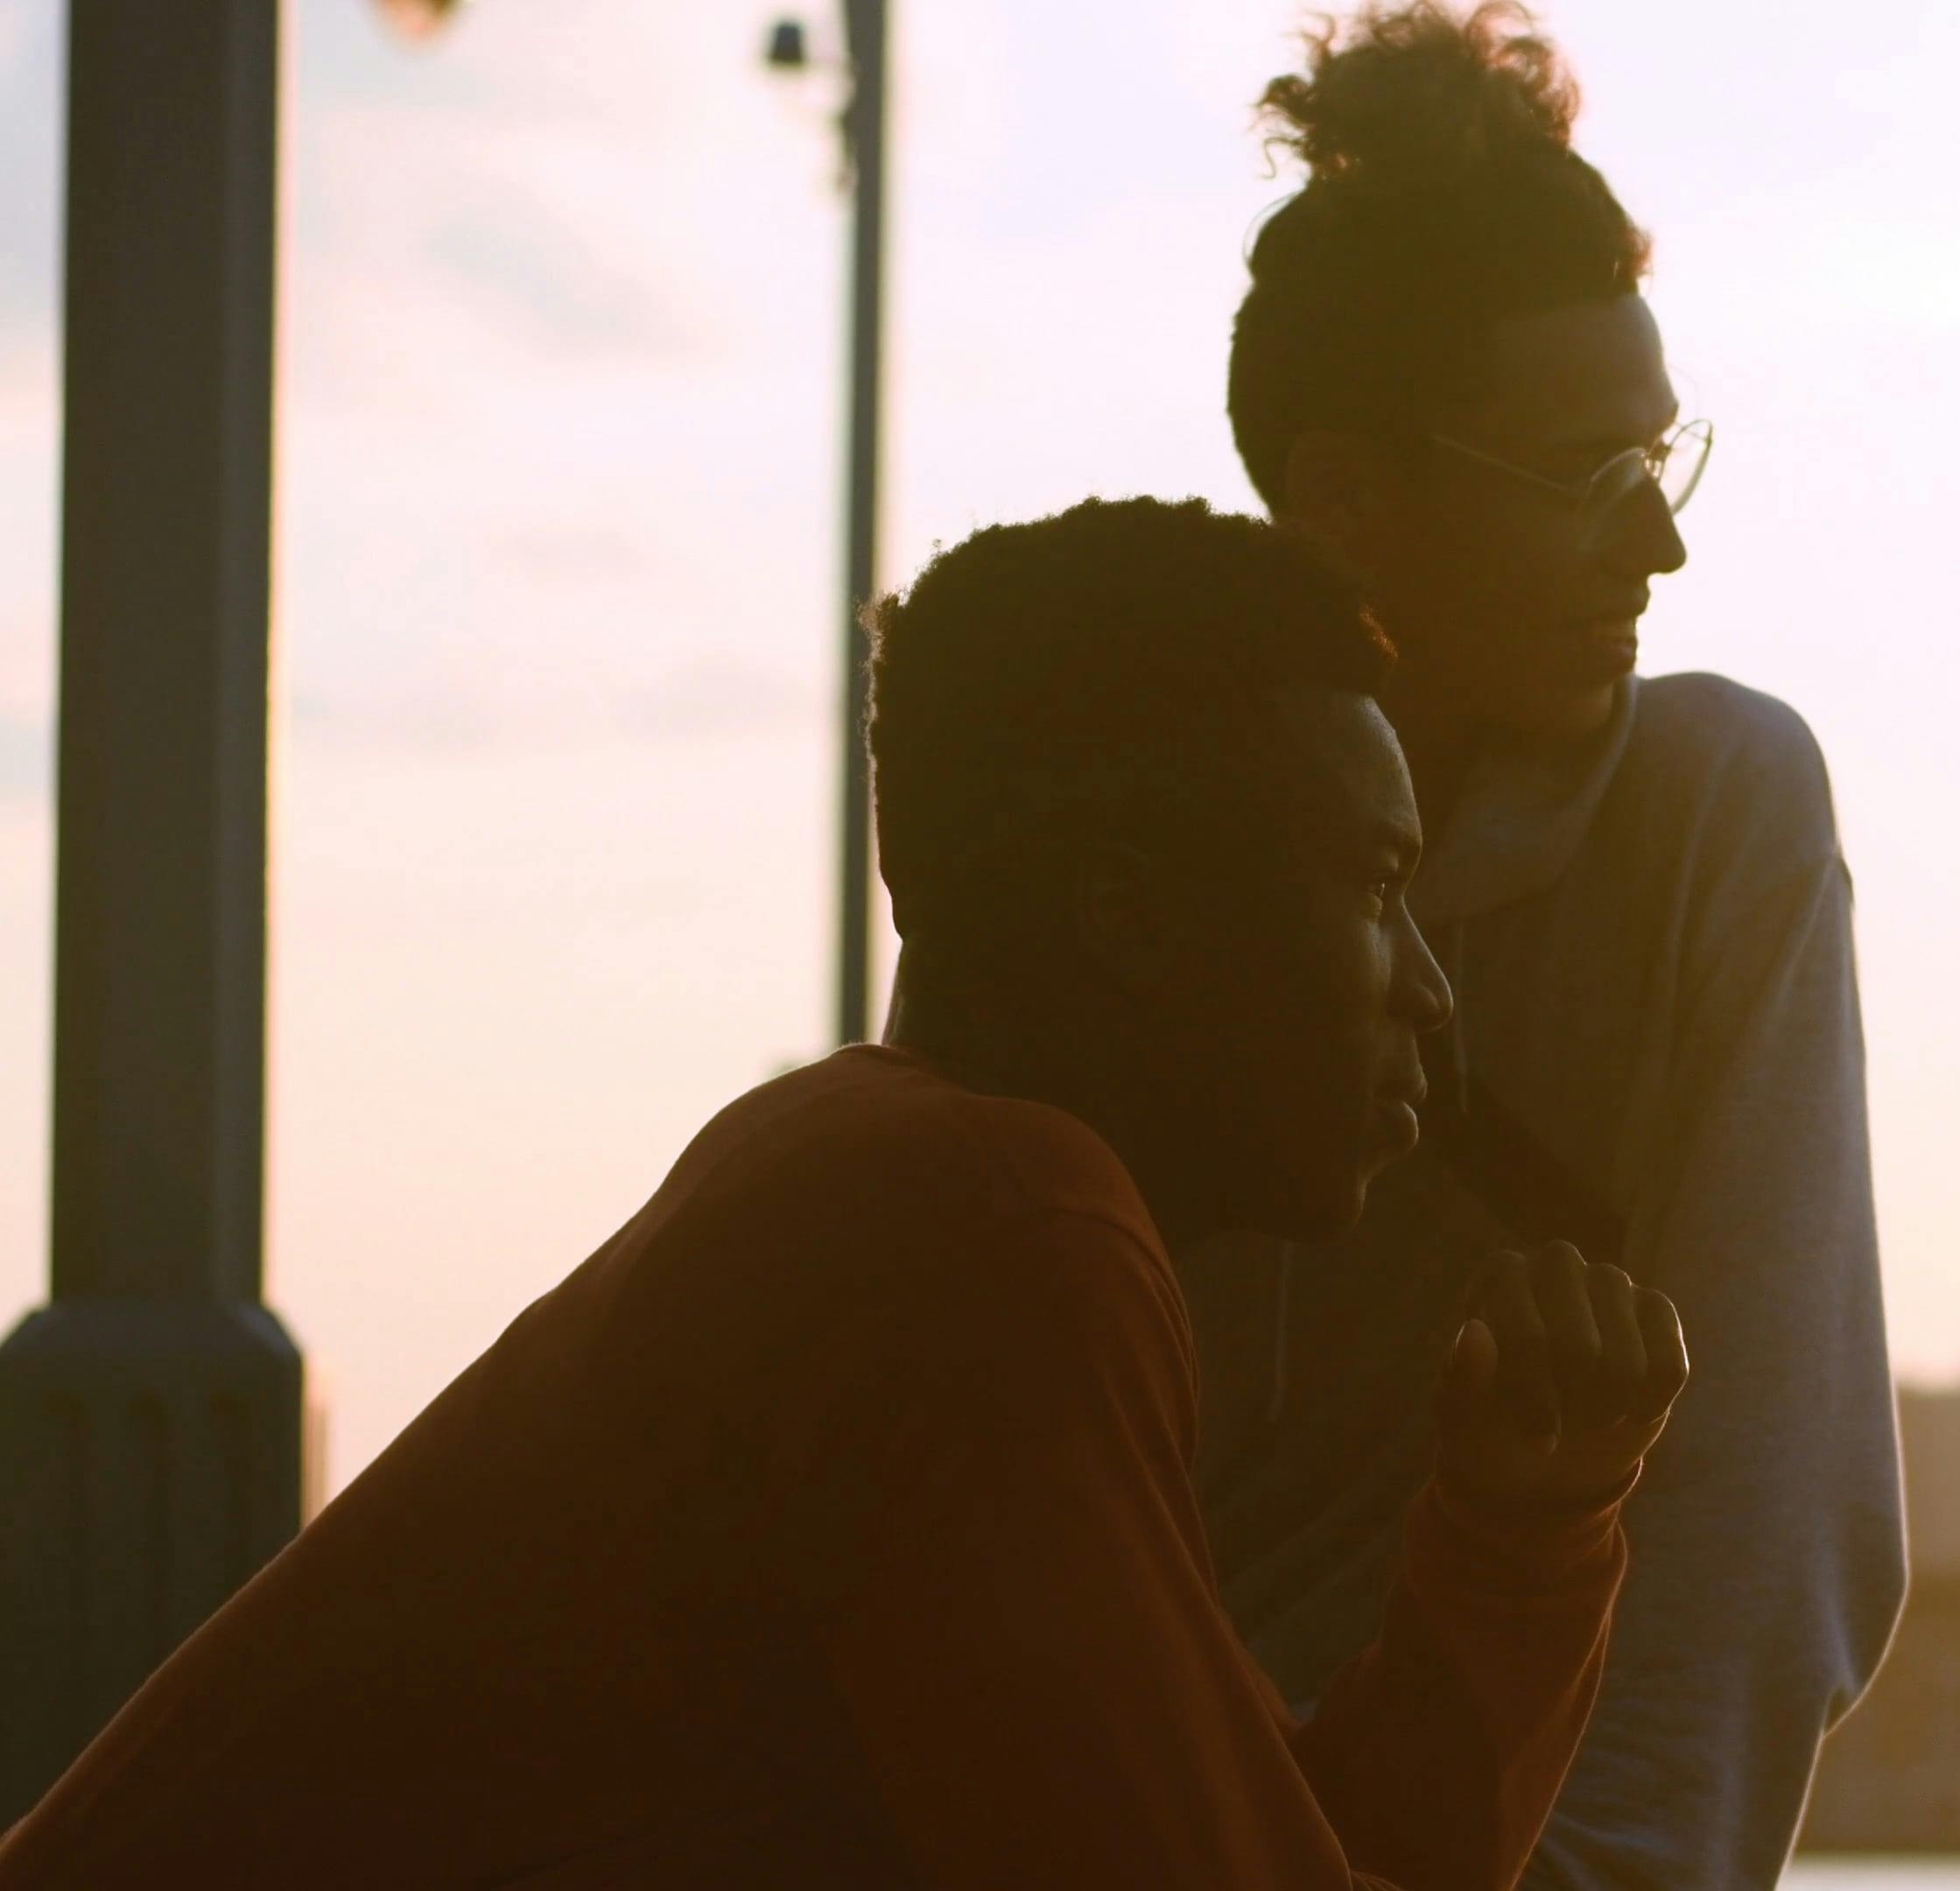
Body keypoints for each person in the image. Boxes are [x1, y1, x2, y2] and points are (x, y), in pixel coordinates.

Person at [0, 497, 1690, 1888]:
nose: (1429, 995)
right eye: (1377, 889)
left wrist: (1523, 1529)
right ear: (1134, 918)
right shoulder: (986, 1235)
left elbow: (1294, 1851)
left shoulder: (877, 1184)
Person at [1184, 7, 1907, 1883]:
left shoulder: (1712, 815)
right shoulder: (1117, 837)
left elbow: (1764, 1518)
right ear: (1344, 499)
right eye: (1585, 475)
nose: (1658, 546)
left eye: (1659, 461)